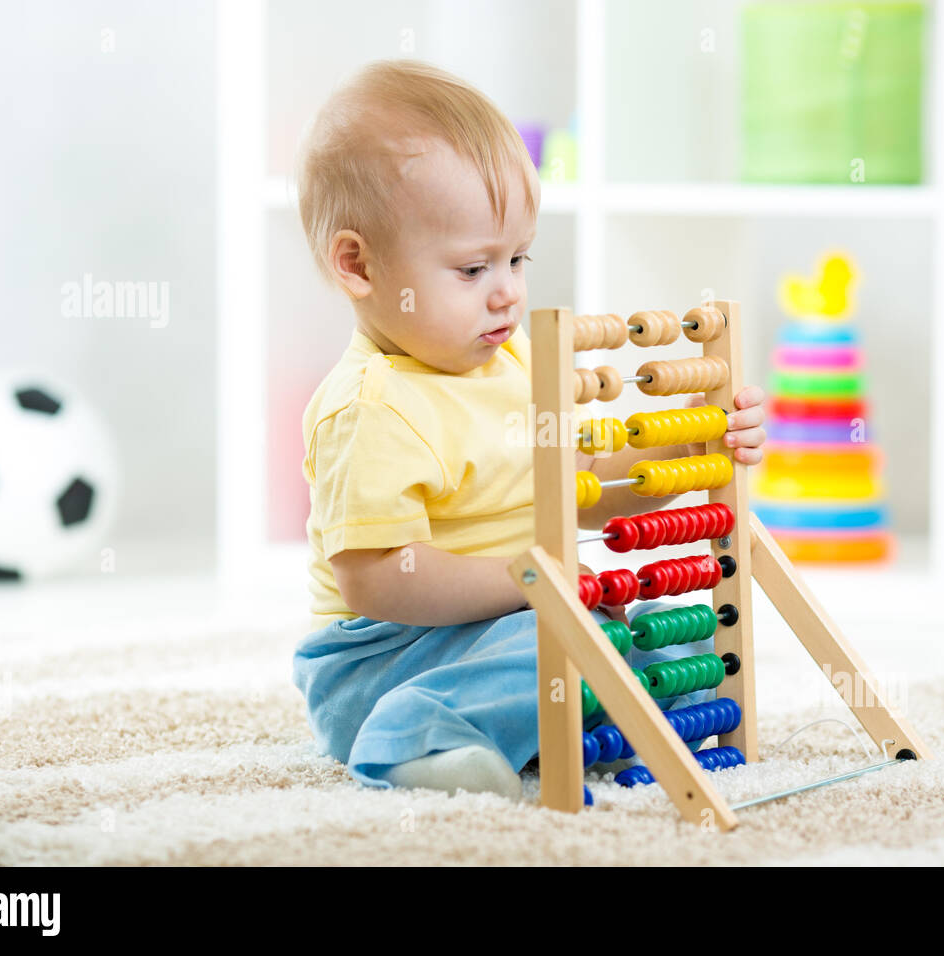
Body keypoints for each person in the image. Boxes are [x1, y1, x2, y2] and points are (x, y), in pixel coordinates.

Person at [290, 59, 766, 800]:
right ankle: (409, 740)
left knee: (683, 631)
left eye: (518, 257)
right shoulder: (372, 407)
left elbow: (579, 491)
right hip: (384, 658)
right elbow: (378, 578)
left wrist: (688, 451)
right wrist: (528, 582)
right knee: (548, 642)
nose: (508, 290)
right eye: (473, 268)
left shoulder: (511, 362)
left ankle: (569, 723)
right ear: (359, 265)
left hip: (514, 613)